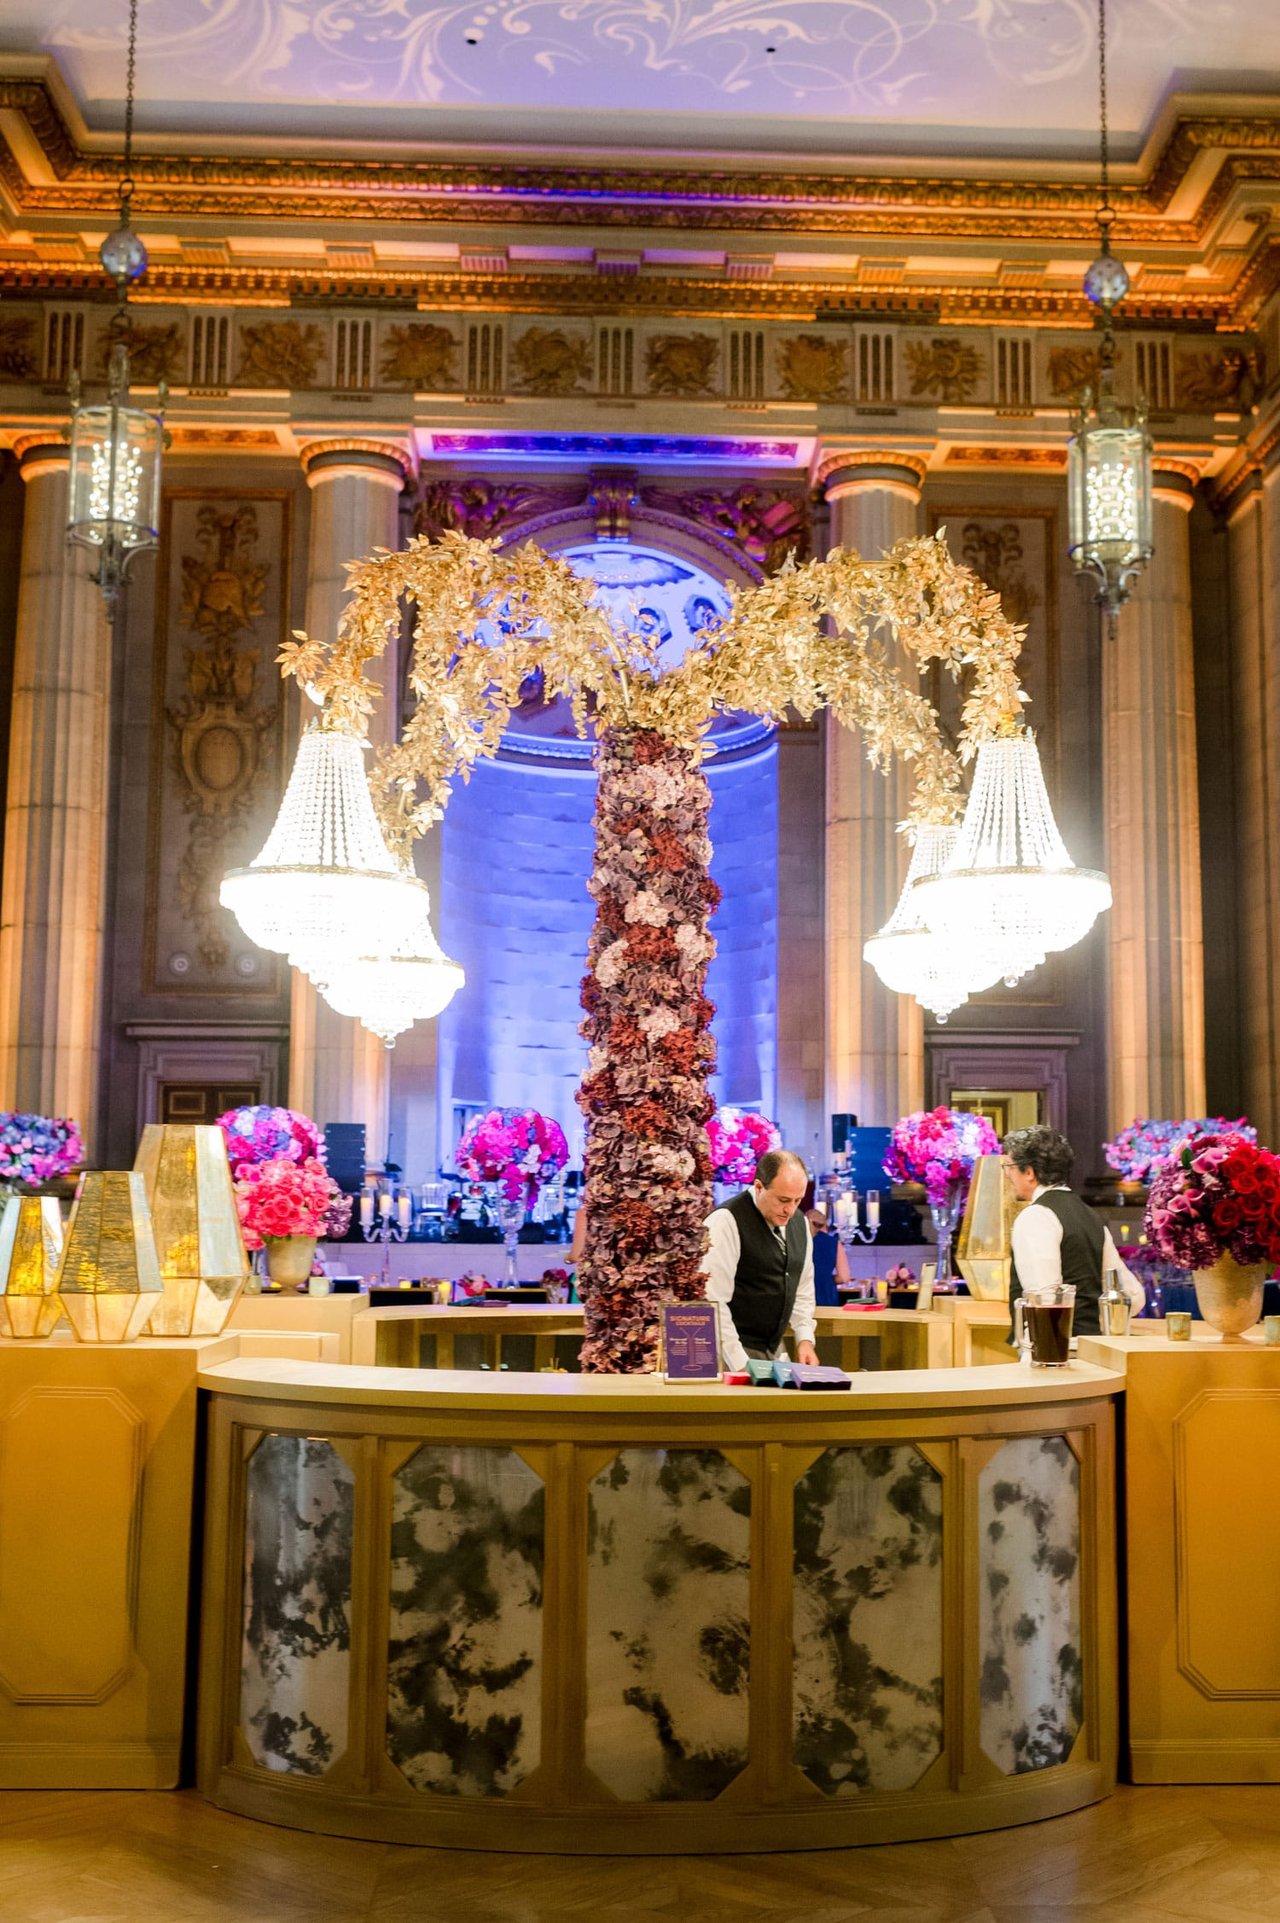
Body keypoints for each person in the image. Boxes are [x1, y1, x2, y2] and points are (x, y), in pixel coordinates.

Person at [1004, 1125, 1144, 1339]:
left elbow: (1044, 1299)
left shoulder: (1036, 1216)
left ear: (1030, 1173)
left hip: (1054, 1353)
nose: (1006, 1175)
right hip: (1094, 1347)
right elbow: (1133, 1295)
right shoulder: (1089, 1215)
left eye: (1010, 1166)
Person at [702, 1148, 820, 1371]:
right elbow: (713, 1301)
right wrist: (739, 1363)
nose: (790, 1210)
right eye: (783, 1200)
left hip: (775, 1350)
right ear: (758, 1187)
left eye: (797, 1201)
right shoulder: (726, 1221)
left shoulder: (800, 1224)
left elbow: (802, 1288)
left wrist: (805, 1339)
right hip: (731, 1353)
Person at [806, 1204, 852, 1307]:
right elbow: (844, 1277)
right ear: (825, 1225)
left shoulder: (796, 1241)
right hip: (826, 1297)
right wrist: (825, 1277)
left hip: (802, 1298)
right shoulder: (834, 1243)